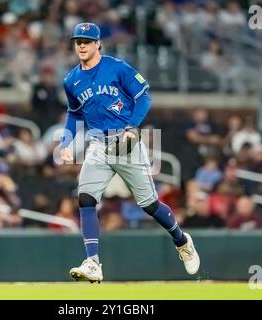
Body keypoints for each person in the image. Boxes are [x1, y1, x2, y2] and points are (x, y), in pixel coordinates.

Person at [59, 23, 200, 283]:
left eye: (87, 41)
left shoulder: (117, 67)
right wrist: (65, 141)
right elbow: (74, 112)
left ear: (98, 43)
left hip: (127, 144)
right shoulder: (71, 80)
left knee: (149, 204)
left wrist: (131, 127)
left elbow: (144, 97)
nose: (81, 45)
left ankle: (181, 241)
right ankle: (93, 262)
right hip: (99, 146)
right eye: (78, 40)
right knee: (86, 198)